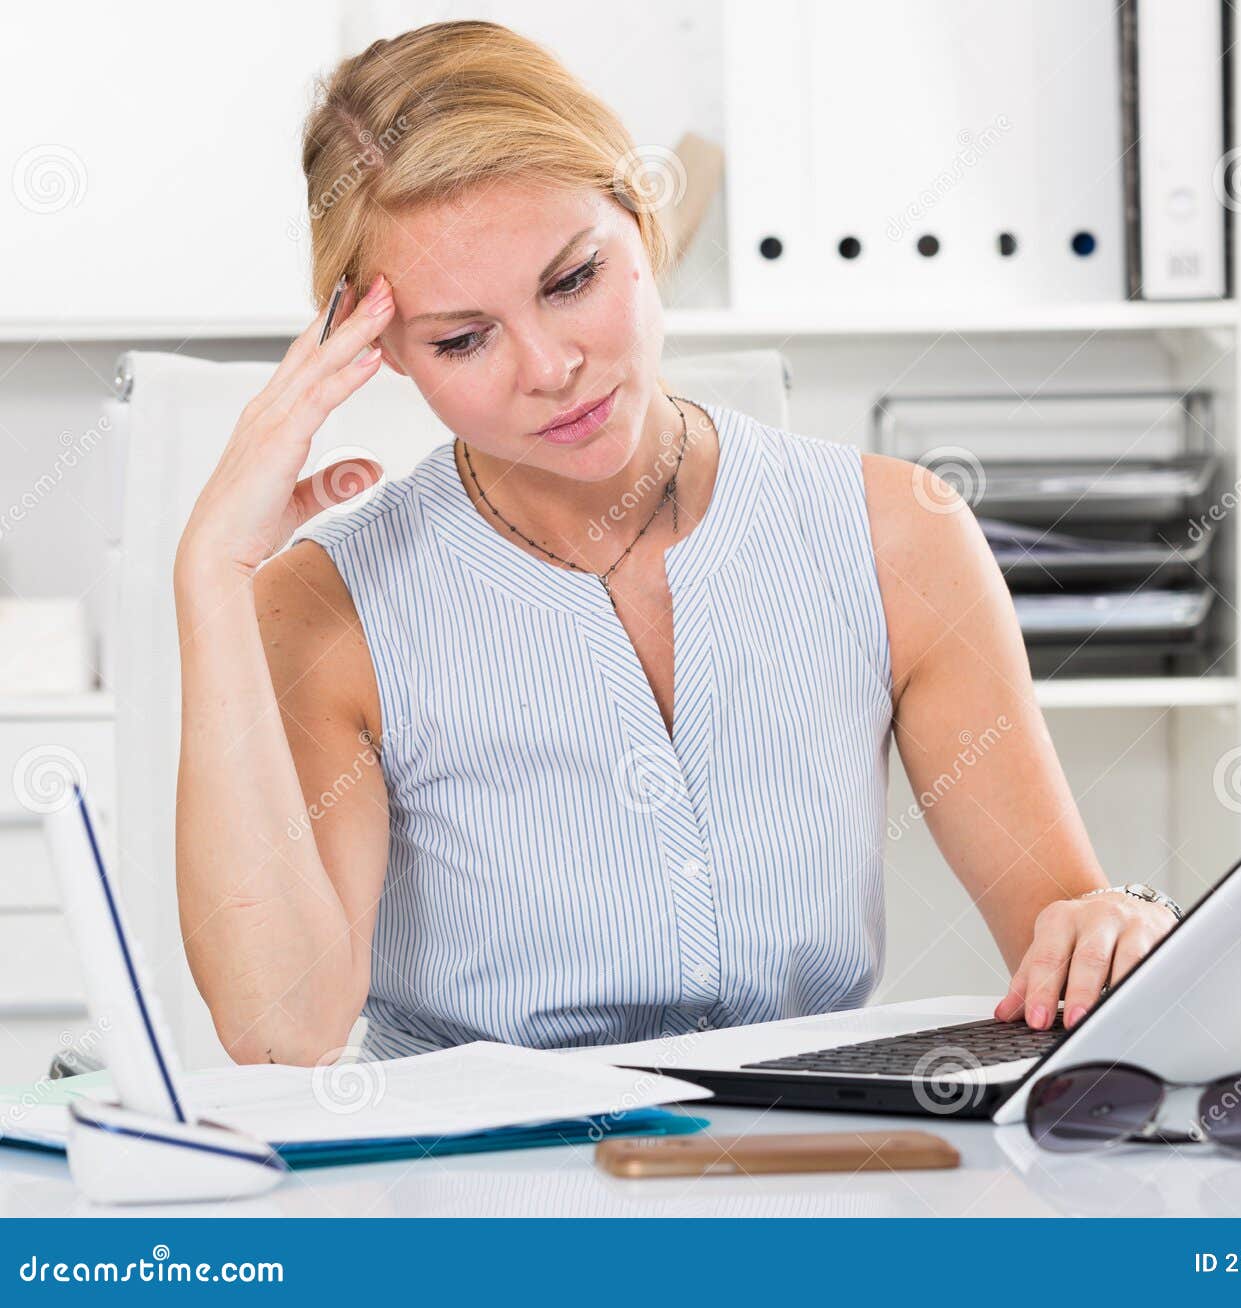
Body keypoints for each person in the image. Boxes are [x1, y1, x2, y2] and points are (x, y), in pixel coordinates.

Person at [173, 20, 1176, 1067]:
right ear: (376, 352)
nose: (551, 366)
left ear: (642, 220)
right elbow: (281, 1032)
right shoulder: (328, 605)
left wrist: (1117, 919)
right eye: (464, 339)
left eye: (571, 281)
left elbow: (1063, 929)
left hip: (807, 1167)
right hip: (482, 1191)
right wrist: (211, 577)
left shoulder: (897, 538)